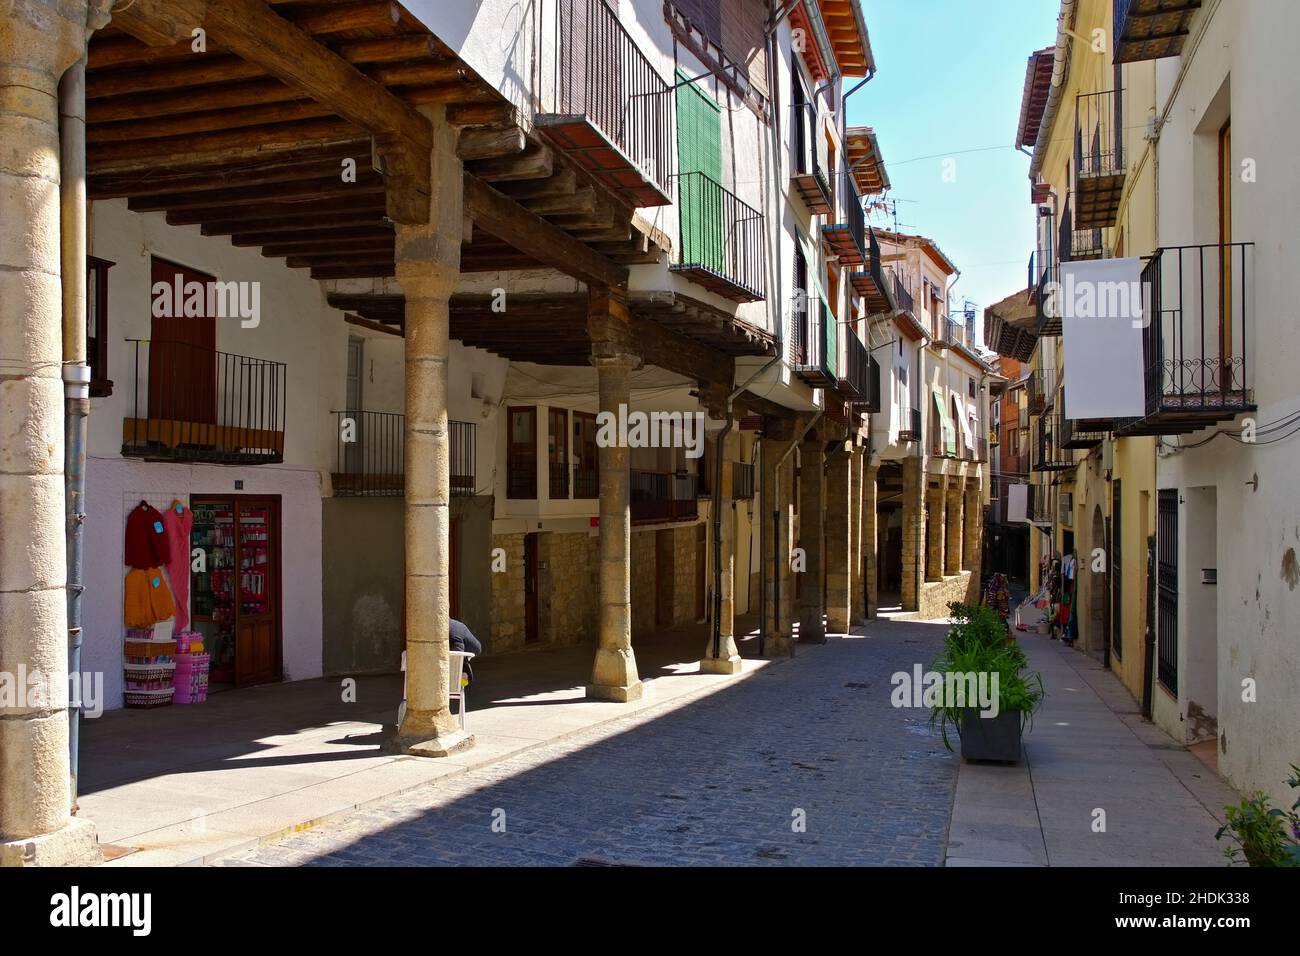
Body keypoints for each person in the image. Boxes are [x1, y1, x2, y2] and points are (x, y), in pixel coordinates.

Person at [449, 618, 483, 685]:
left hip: (471, 649)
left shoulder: (454, 633)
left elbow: (457, 656)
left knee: (459, 665)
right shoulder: (454, 625)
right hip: (467, 647)